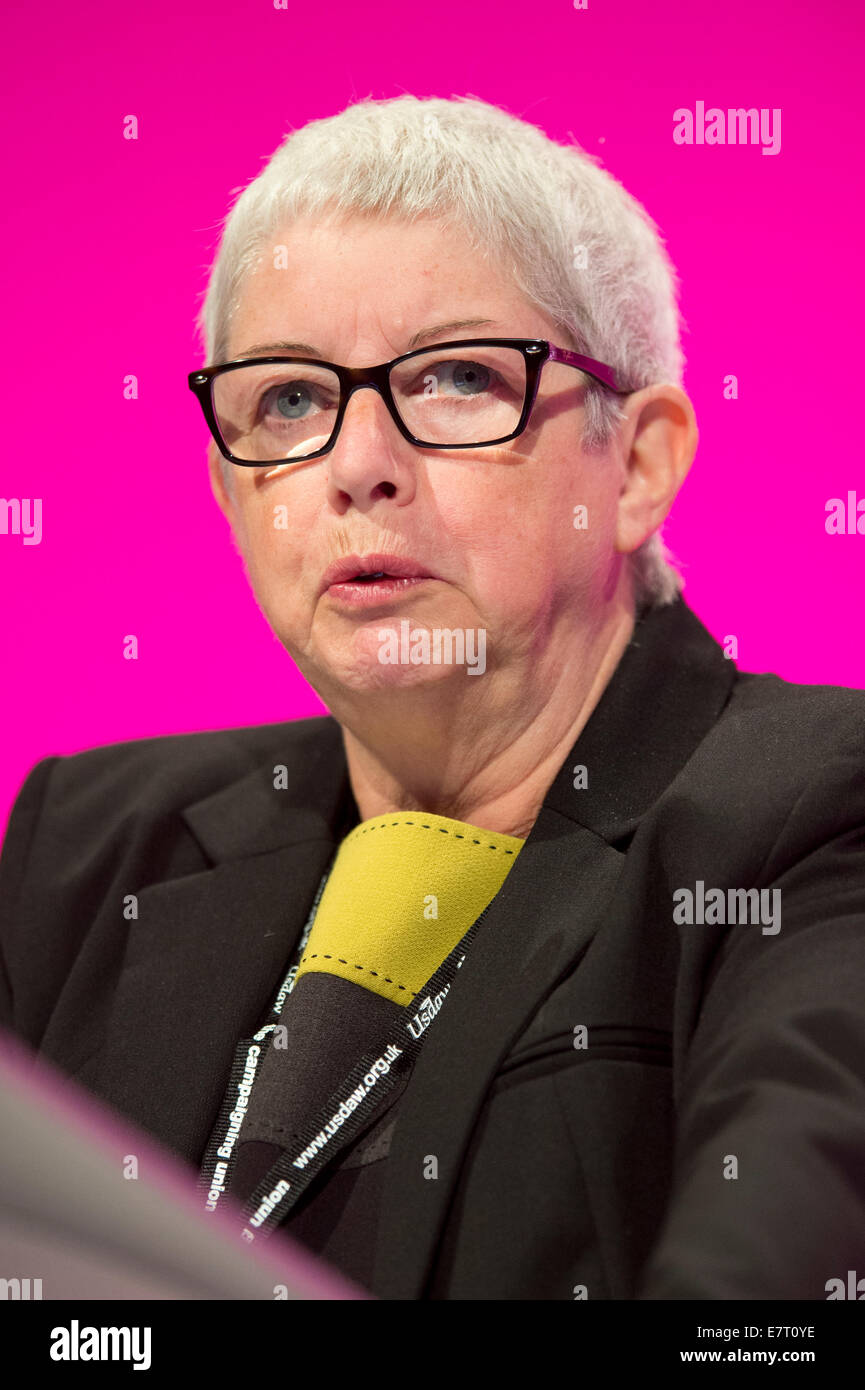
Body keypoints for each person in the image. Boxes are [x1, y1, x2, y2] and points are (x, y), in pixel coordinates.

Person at [1, 93, 863, 1301]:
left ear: (638, 462)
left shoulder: (811, 814)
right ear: (229, 487)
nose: (358, 466)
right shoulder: (86, 845)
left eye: (456, 375)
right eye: (290, 400)